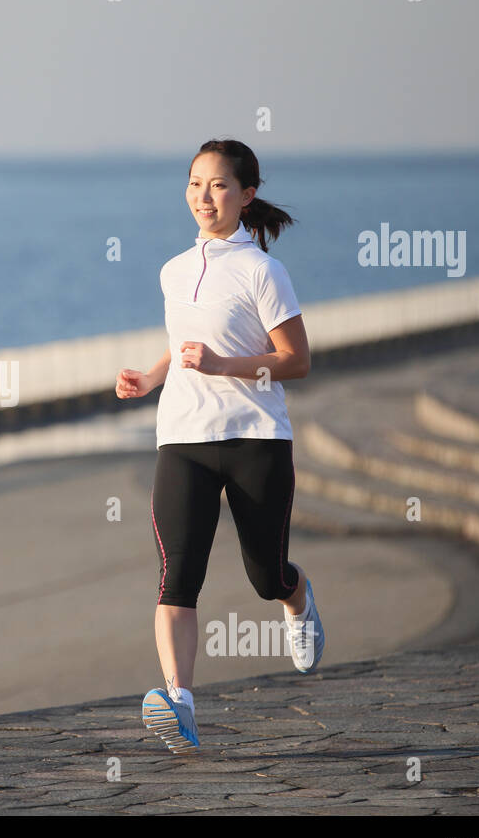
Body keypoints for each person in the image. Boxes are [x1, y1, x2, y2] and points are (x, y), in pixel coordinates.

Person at [115, 139, 324, 755]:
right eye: (195, 184)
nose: (204, 197)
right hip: (182, 438)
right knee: (176, 576)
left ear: (247, 194)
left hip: (256, 438)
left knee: (265, 574)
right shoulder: (173, 270)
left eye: (219, 185)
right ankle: (179, 702)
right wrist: (152, 377)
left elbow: (298, 362)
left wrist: (225, 364)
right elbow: (186, 341)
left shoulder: (264, 271)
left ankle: (297, 596)